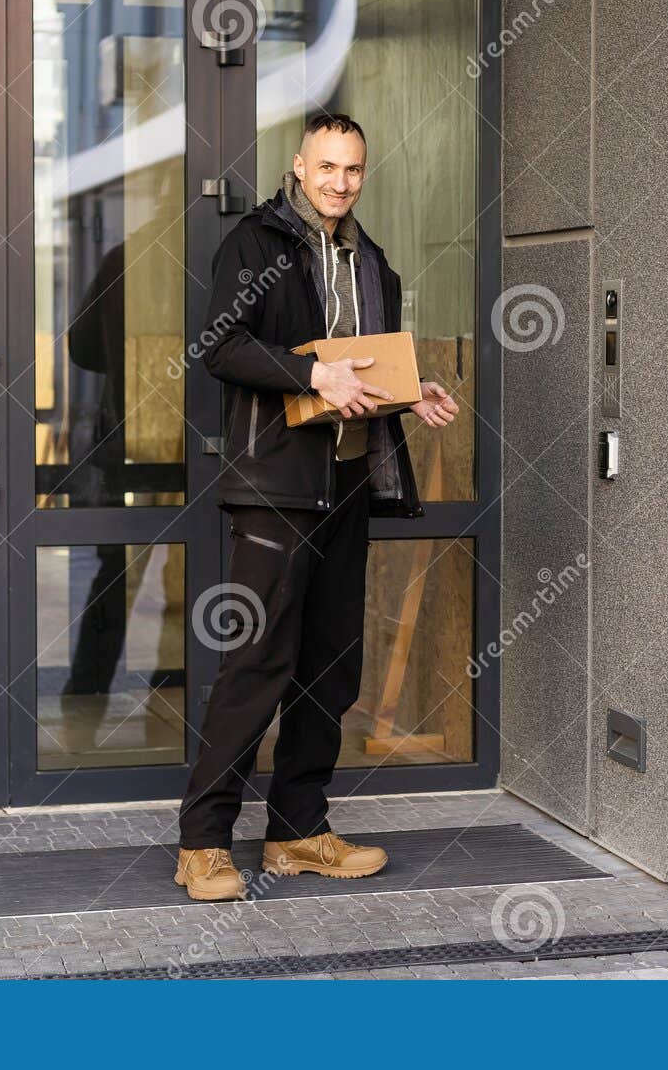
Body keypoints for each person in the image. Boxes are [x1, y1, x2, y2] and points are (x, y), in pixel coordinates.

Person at [174, 112, 459, 900]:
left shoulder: (373, 261)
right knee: (256, 662)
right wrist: (310, 376)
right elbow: (221, 348)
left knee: (330, 668)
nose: (340, 182)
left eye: (354, 170)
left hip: (347, 485)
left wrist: (411, 391)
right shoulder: (257, 245)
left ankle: (297, 831)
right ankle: (202, 842)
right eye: (327, 167)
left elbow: (366, 367)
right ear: (298, 166)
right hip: (274, 489)